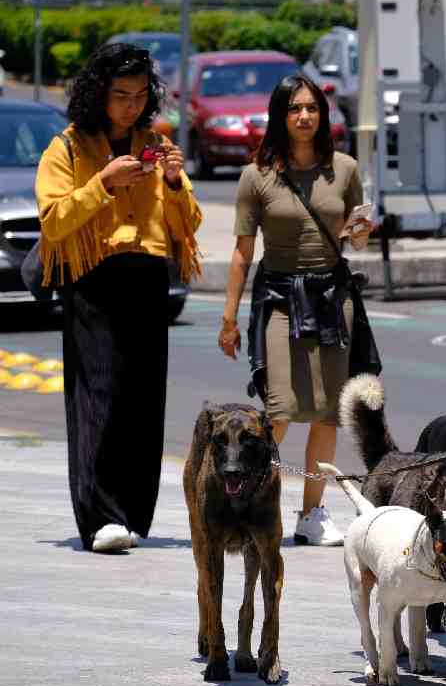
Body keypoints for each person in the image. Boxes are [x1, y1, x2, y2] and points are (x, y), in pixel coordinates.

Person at [35, 42, 202, 553]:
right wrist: (103, 184)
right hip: (93, 277)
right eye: (120, 95)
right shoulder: (67, 149)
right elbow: (52, 220)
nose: (131, 106)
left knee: (143, 401)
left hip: (148, 276)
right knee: (97, 399)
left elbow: (189, 223)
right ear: (98, 95)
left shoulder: (155, 144)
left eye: (139, 95)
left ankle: (130, 513)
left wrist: (173, 182)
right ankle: (99, 517)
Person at [218, 74, 368, 547]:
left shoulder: (343, 169)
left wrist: (362, 231)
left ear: (322, 115)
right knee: (279, 408)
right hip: (280, 298)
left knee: (327, 413)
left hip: (331, 299)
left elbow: (354, 238)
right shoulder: (256, 176)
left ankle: (312, 514)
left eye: (311, 108)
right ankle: (242, 507)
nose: (304, 116)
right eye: (294, 108)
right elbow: (242, 252)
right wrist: (228, 316)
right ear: (279, 116)